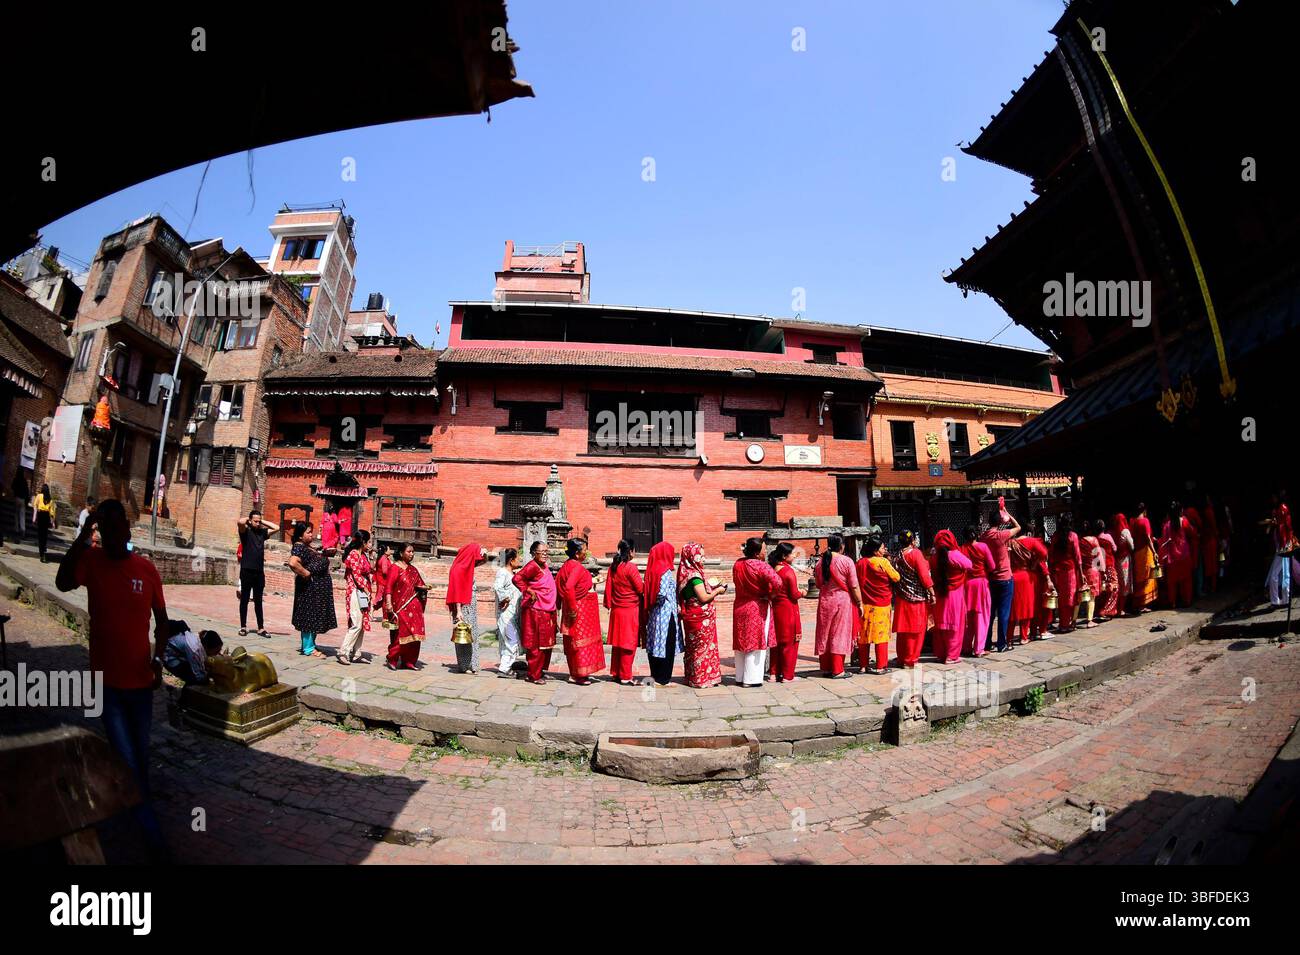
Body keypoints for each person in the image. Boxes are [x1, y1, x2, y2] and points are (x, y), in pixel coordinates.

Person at [55, 499, 170, 858]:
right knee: (127, 757)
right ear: (101, 532)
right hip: (107, 684)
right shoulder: (91, 562)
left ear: (127, 530)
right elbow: (61, 582)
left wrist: (158, 660)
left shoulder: (146, 569)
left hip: (141, 681)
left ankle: (137, 805)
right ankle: (152, 835)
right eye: (105, 529)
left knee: (140, 753)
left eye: (118, 528)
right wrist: (84, 531)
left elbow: (162, 621)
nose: (113, 535)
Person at [556, 538, 605, 684]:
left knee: (572, 642)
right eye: (584, 549)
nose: (586, 552)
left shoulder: (567, 565)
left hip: (573, 608)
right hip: (579, 610)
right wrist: (572, 608)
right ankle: (580, 675)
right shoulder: (577, 567)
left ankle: (574, 673)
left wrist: (592, 581)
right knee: (580, 642)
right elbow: (569, 587)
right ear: (577, 554)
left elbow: (559, 582)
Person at [732, 537, 780, 687]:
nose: (765, 552)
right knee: (755, 642)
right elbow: (778, 582)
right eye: (764, 549)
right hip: (756, 606)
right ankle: (751, 679)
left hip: (740, 605)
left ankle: (740, 676)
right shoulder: (761, 566)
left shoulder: (738, 564)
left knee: (741, 643)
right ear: (757, 553)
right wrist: (770, 595)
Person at [677, 542, 727, 688]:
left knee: (693, 648)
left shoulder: (685, 573)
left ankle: (692, 677)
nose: (703, 559)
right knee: (701, 648)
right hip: (699, 618)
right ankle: (701, 679)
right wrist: (718, 591)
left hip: (691, 617)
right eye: (701, 556)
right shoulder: (695, 577)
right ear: (692, 557)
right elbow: (703, 598)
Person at [813, 534, 862, 678]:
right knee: (839, 634)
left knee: (825, 634)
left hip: (825, 601)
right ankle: (837, 669)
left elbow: (817, 584)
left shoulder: (820, 562)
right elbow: (854, 586)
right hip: (842, 601)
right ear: (841, 546)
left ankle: (827, 668)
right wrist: (860, 603)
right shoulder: (846, 561)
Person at [512, 541, 558, 684]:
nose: (545, 554)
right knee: (536, 643)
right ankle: (533, 675)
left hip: (547, 608)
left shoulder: (543, 566)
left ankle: (540, 671)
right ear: (533, 553)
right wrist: (528, 590)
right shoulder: (532, 566)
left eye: (546, 551)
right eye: (542, 551)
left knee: (546, 643)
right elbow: (517, 578)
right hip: (536, 610)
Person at [288, 521, 335, 658]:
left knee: (314, 616)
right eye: (308, 532)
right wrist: (306, 573)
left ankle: (311, 644)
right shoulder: (298, 547)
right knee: (308, 616)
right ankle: (308, 648)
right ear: (300, 536)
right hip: (309, 589)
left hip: (317, 589)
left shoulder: (307, 547)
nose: (311, 534)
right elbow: (292, 562)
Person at [980, 507, 1021, 653]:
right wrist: (1008, 515)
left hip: (990, 578)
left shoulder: (983, 537)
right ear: (1000, 522)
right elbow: (1018, 527)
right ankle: (1002, 643)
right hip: (1005, 577)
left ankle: (987, 642)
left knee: (990, 613)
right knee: (1003, 612)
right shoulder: (1001, 535)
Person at [929, 529, 973, 663]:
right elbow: (969, 565)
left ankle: (942, 654)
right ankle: (951, 656)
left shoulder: (934, 557)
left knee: (941, 625)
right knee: (954, 625)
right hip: (954, 594)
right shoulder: (954, 555)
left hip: (939, 594)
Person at [892, 530, 934, 668]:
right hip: (916, 598)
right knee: (915, 630)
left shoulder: (897, 556)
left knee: (903, 630)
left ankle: (902, 657)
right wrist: (932, 592)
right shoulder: (915, 554)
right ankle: (910, 659)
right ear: (912, 541)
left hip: (902, 597)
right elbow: (924, 576)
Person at [604, 538, 644, 685]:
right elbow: (640, 589)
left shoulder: (614, 566)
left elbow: (609, 587)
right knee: (628, 644)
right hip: (630, 610)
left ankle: (616, 672)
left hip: (617, 609)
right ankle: (626, 676)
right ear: (631, 551)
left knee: (618, 644)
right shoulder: (630, 568)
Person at [856, 537, 898, 674]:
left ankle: (863, 666)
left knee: (864, 635)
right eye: (882, 548)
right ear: (875, 551)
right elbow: (896, 577)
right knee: (881, 635)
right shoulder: (883, 562)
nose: (884, 549)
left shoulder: (861, 563)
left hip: (864, 603)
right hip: (881, 604)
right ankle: (881, 666)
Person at [643, 541, 681, 686]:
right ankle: (663, 678)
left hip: (654, 615)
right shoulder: (665, 571)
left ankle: (655, 675)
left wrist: (653, 604)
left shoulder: (652, 569)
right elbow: (661, 593)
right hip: (665, 613)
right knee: (667, 644)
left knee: (655, 644)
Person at [385, 543, 428, 670]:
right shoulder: (395, 568)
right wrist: (388, 603)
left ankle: (409, 661)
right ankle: (392, 658)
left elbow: (421, 585)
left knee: (415, 635)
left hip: (415, 607)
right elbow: (388, 587)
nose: (411, 554)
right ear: (401, 553)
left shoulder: (413, 569)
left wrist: (424, 589)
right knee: (400, 634)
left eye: (413, 552)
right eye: (409, 551)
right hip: (400, 607)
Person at [447, 542, 488, 673]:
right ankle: (464, 665)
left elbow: (481, 561)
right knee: (463, 636)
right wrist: (458, 611)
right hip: (462, 607)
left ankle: (473, 664)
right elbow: (457, 590)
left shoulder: (467, 566)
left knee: (473, 634)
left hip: (471, 604)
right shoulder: (458, 569)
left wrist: (485, 554)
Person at [767, 542, 805, 681]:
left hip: (776, 608)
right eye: (793, 553)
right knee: (789, 643)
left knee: (776, 642)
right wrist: (803, 592)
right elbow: (794, 594)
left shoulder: (772, 569)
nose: (795, 555)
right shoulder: (788, 571)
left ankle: (773, 673)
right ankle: (788, 675)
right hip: (788, 609)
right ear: (784, 555)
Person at [338, 530, 373, 665]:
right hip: (355, 591)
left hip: (364, 592)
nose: (370, 544)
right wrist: (364, 588)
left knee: (362, 624)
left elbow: (371, 569)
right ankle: (344, 651)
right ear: (363, 542)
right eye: (368, 542)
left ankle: (356, 653)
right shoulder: (353, 554)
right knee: (356, 623)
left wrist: (371, 556)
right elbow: (356, 574)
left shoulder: (363, 555)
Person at [1009, 533, 1052, 643]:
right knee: (1026, 607)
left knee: (1013, 609)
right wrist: (1035, 562)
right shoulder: (1031, 541)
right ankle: (1023, 637)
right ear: (1028, 533)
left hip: (1012, 576)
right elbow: (1045, 554)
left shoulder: (1010, 542)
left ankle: (1008, 638)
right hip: (1026, 576)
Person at [236, 509, 271, 637]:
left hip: (259, 572)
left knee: (258, 600)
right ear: (250, 520)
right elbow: (240, 522)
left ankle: (261, 628)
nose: (257, 523)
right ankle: (243, 626)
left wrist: (262, 521)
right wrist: (249, 521)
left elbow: (277, 527)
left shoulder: (262, 533)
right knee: (244, 599)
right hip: (246, 570)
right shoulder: (246, 532)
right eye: (255, 521)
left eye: (259, 521)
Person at [960, 525, 995, 656]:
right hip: (981, 584)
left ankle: (966, 647)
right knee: (982, 616)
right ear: (977, 534)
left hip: (967, 585)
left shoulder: (962, 548)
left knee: (968, 618)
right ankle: (979, 649)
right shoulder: (983, 547)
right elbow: (992, 566)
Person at [1262, 491, 1299, 608]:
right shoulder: (1280, 509)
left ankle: (1276, 601)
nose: (1272, 499)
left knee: (1276, 574)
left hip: (1284, 545)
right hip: (1284, 544)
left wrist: (1274, 523)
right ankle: (1285, 599)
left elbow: (1285, 527)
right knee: (1287, 571)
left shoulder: (1282, 509)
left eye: (1273, 497)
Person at [1049, 516, 1085, 633]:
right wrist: (1081, 573)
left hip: (1058, 571)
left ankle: (1063, 622)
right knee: (1071, 597)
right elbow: (1077, 556)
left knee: (1062, 597)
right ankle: (1068, 622)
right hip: (1070, 570)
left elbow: (1051, 555)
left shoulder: (1055, 536)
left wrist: (1051, 570)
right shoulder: (1073, 536)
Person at [493, 547, 524, 677]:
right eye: (518, 557)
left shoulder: (513, 574)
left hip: (513, 614)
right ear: (511, 560)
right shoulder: (503, 573)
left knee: (509, 640)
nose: (520, 559)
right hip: (506, 615)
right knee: (512, 640)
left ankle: (507, 664)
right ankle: (504, 668)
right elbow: (497, 587)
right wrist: (505, 598)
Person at [1158, 502, 1194, 609]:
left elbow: (1164, 541)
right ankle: (1186, 601)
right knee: (1186, 580)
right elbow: (1192, 533)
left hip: (1171, 557)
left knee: (1172, 582)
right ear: (1180, 511)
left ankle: (1172, 602)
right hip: (1184, 555)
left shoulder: (1166, 525)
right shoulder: (1184, 521)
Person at [1131, 503, 1159, 613]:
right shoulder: (1145, 521)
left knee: (1139, 577)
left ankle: (1139, 604)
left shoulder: (1133, 522)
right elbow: (1148, 538)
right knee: (1147, 576)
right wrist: (1154, 551)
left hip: (1137, 553)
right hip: (1145, 552)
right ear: (1144, 511)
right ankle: (1143, 604)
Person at [1078, 522, 1103, 627]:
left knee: (1079, 596)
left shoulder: (1079, 541)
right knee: (1092, 596)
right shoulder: (1094, 540)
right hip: (1093, 570)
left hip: (1082, 570)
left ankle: (1073, 620)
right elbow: (1099, 556)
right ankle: (1089, 620)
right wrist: (1102, 569)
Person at [1109, 513, 1134, 616]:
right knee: (1125, 582)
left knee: (1117, 583)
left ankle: (1114, 608)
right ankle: (1121, 609)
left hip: (1115, 561)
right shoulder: (1125, 531)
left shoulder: (1111, 532)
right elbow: (1132, 546)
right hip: (1124, 560)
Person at [1097, 521, 1119, 620]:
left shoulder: (1095, 539)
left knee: (1102, 588)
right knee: (1113, 588)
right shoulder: (1108, 537)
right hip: (1109, 564)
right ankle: (1107, 610)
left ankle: (1100, 609)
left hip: (1099, 567)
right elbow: (1115, 548)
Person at [1200, 494, 1220, 596]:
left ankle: (1210, 586)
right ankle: (1212, 586)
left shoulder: (1205, 512)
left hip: (1206, 541)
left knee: (1208, 565)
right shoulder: (1209, 511)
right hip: (1210, 541)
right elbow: (1214, 527)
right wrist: (1218, 539)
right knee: (1212, 564)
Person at [33, 483, 56, 562]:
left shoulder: (39, 496)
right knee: (45, 534)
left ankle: (41, 553)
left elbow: (35, 506)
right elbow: (52, 512)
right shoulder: (51, 499)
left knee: (40, 534)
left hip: (40, 515)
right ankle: (43, 550)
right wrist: (53, 522)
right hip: (46, 516)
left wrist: (34, 518)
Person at [372, 542, 393, 622]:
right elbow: (385, 571)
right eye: (389, 549)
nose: (390, 550)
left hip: (381, 581)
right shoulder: (384, 559)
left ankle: (385, 616)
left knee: (383, 599)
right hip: (383, 582)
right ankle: (372, 610)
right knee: (380, 598)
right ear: (385, 551)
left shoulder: (382, 558)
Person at [11, 467, 29, 538]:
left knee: (16, 514)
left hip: (17, 498)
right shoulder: (24, 480)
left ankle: (16, 529)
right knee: (22, 515)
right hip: (23, 499)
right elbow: (27, 491)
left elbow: (12, 487)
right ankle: (23, 530)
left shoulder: (16, 479)